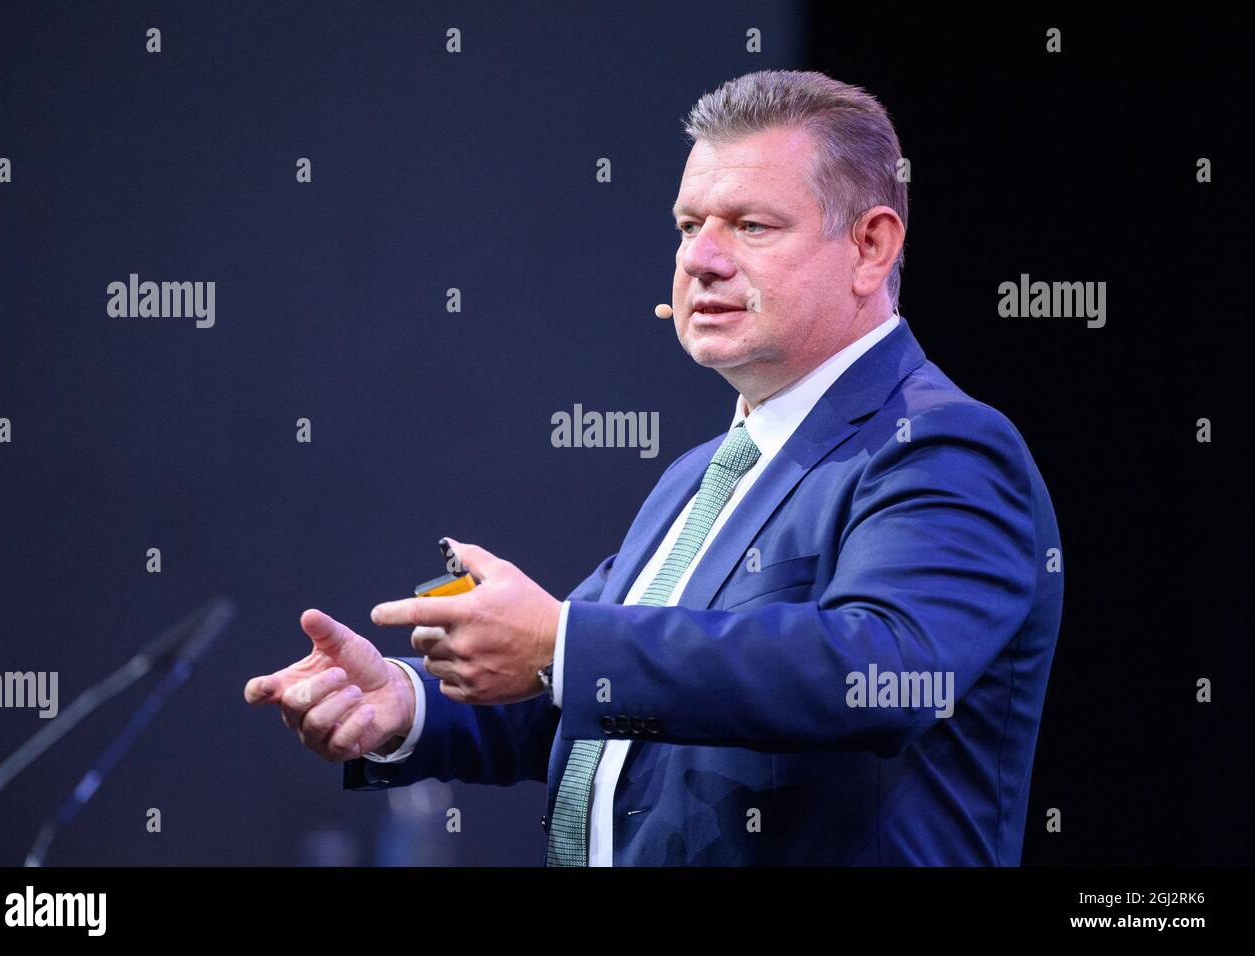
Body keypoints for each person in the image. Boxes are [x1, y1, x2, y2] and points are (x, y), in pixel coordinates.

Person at [244, 69, 1063, 866]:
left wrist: (559, 642)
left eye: (750, 226)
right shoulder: (703, 473)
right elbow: (598, 696)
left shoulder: (941, 447)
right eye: (686, 225)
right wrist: (405, 705)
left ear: (870, 246)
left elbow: (882, 669)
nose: (701, 259)